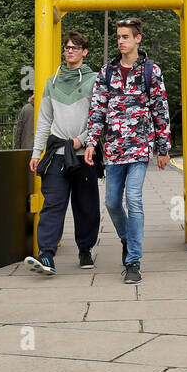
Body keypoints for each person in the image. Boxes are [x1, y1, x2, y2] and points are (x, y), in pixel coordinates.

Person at [83, 17, 170, 284]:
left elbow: (160, 109)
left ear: (137, 39)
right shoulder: (106, 72)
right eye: (118, 37)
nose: (121, 41)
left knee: (133, 199)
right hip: (113, 148)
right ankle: (126, 239)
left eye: (125, 37)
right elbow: (97, 109)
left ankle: (133, 261)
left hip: (140, 148)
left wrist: (163, 148)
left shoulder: (150, 71)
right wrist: (90, 141)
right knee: (111, 202)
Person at [23, 32, 99, 275]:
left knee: (86, 205)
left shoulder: (95, 80)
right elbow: (44, 120)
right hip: (56, 154)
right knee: (52, 204)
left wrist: (82, 140)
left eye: (76, 48)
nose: (70, 51)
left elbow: (100, 119)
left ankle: (85, 249)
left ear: (85, 52)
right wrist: (36, 153)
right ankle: (46, 255)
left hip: (83, 154)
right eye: (67, 47)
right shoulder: (51, 82)